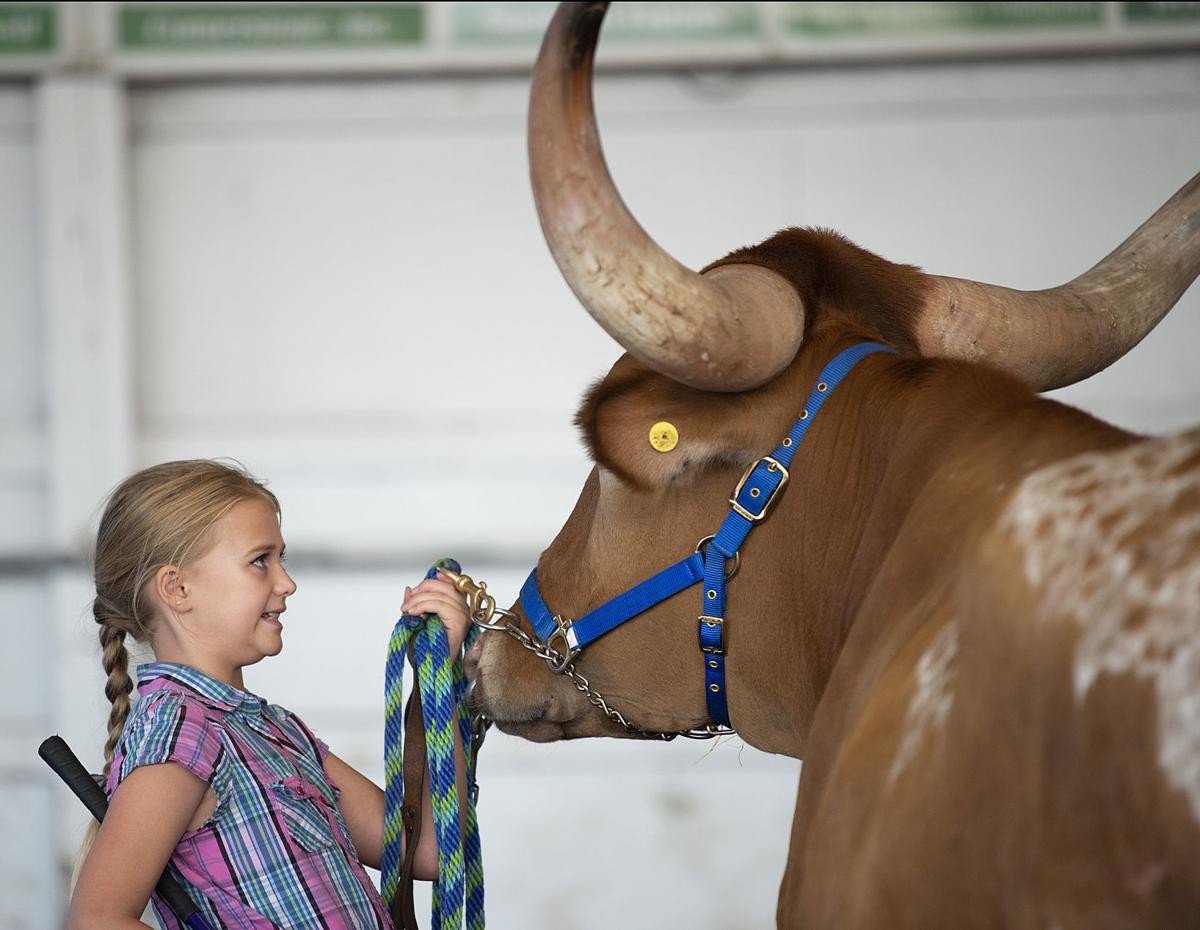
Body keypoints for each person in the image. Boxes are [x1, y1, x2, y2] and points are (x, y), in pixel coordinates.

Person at [67, 459, 470, 930]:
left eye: (282, 559)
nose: (286, 583)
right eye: (260, 561)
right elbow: (97, 919)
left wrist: (441, 675)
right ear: (177, 589)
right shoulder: (181, 730)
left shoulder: (275, 731)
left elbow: (429, 852)